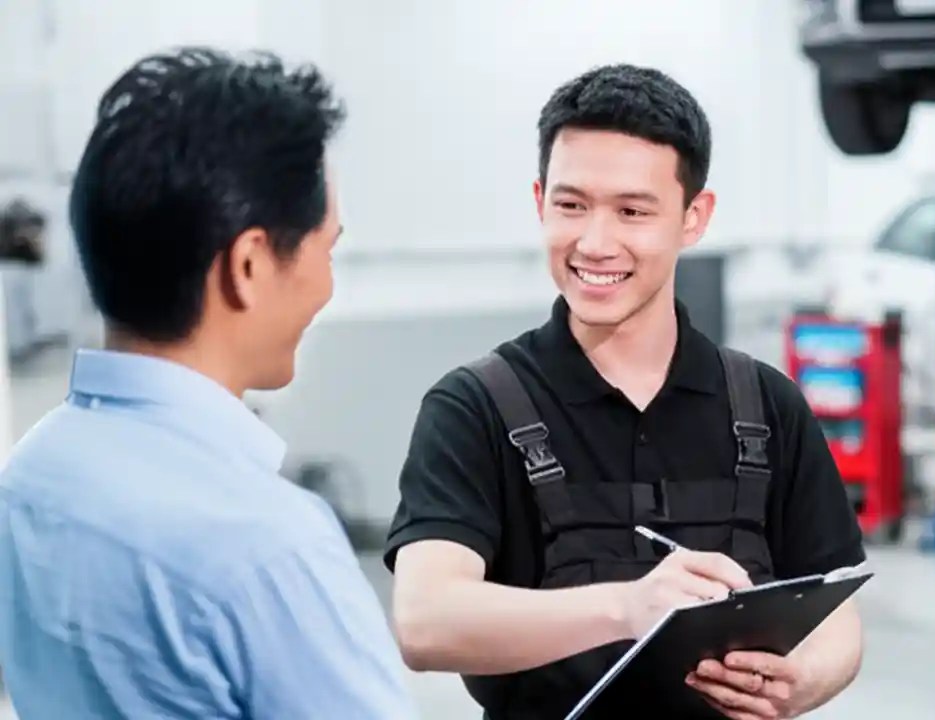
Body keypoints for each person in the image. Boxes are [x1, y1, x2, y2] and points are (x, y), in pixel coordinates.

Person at [385, 63, 867, 719]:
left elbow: (837, 612)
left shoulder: (766, 406)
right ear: (539, 201)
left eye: (633, 211)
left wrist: (801, 681)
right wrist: (629, 607)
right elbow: (425, 619)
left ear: (693, 218)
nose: (595, 242)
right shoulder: (474, 407)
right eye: (571, 204)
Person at [0, 47, 416, 719]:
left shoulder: (32, 476)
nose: (327, 284)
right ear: (249, 264)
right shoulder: (268, 548)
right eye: (327, 249)